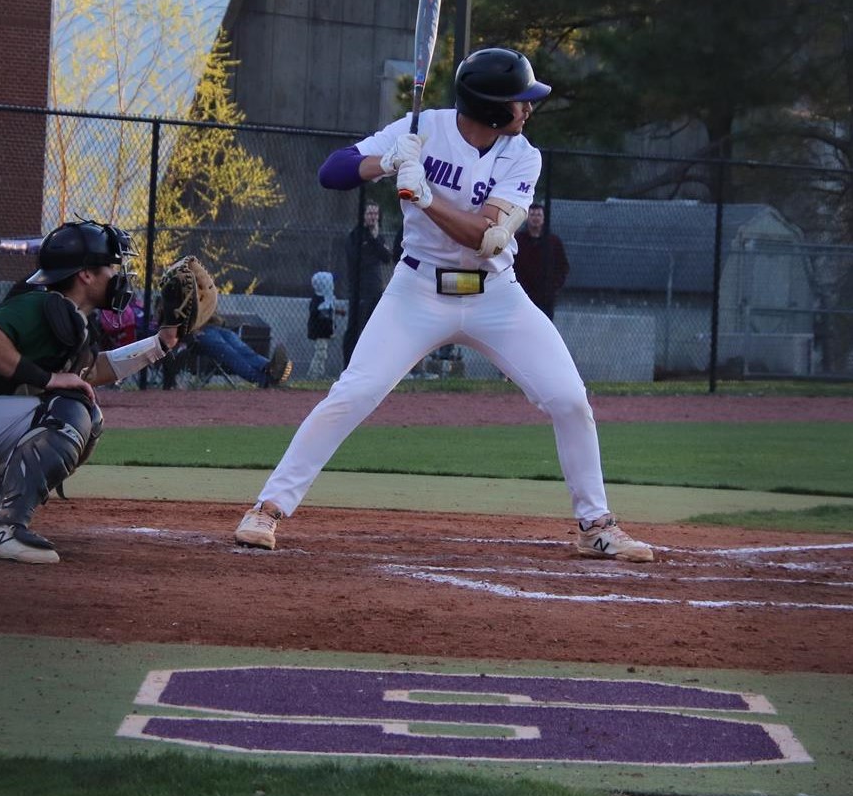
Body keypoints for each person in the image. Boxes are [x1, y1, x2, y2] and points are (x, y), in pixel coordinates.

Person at [233, 48, 658, 563]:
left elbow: (488, 237)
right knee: (354, 392)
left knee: (569, 398)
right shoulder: (423, 127)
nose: (527, 110)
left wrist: (426, 199)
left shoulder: (523, 154)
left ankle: (596, 525)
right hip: (417, 293)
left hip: (496, 296)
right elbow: (332, 171)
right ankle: (268, 508)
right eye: (520, 102)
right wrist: (384, 164)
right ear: (492, 107)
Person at [0, 220, 182, 564]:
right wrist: (47, 379)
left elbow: (90, 372)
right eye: (110, 266)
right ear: (85, 275)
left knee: (86, 416)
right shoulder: (41, 304)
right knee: (68, 411)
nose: (117, 275)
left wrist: (161, 344)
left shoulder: (68, 318)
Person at [165, 316, 291, 388]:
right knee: (228, 351)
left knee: (239, 346)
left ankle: (268, 367)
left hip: (211, 328)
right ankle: (265, 379)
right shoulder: (173, 299)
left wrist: (212, 318)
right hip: (193, 336)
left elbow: (215, 318)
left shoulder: (199, 295)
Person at [343, 200, 396, 366]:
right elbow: (358, 260)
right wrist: (374, 250)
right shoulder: (355, 236)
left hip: (376, 290)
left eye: (375, 214)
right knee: (356, 328)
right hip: (360, 291)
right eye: (370, 214)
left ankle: (370, 365)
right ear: (363, 215)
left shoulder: (377, 236)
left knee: (374, 329)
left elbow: (387, 257)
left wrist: (374, 241)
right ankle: (349, 366)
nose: (373, 217)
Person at [514, 202, 570, 316]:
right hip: (522, 295)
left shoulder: (553, 241)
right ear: (527, 217)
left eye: (539, 215)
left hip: (545, 297)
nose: (535, 218)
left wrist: (553, 287)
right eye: (532, 215)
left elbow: (563, 267)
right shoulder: (518, 240)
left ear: (544, 218)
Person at [306, 269, 344, 378]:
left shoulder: (325, 299)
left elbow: (328, 309)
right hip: (319, 331)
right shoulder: (318, 300)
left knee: (322, 353)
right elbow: (320, 312)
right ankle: (314, 374)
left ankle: (319, 373)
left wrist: (337, 312)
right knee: (320, 352)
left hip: (324, 331)